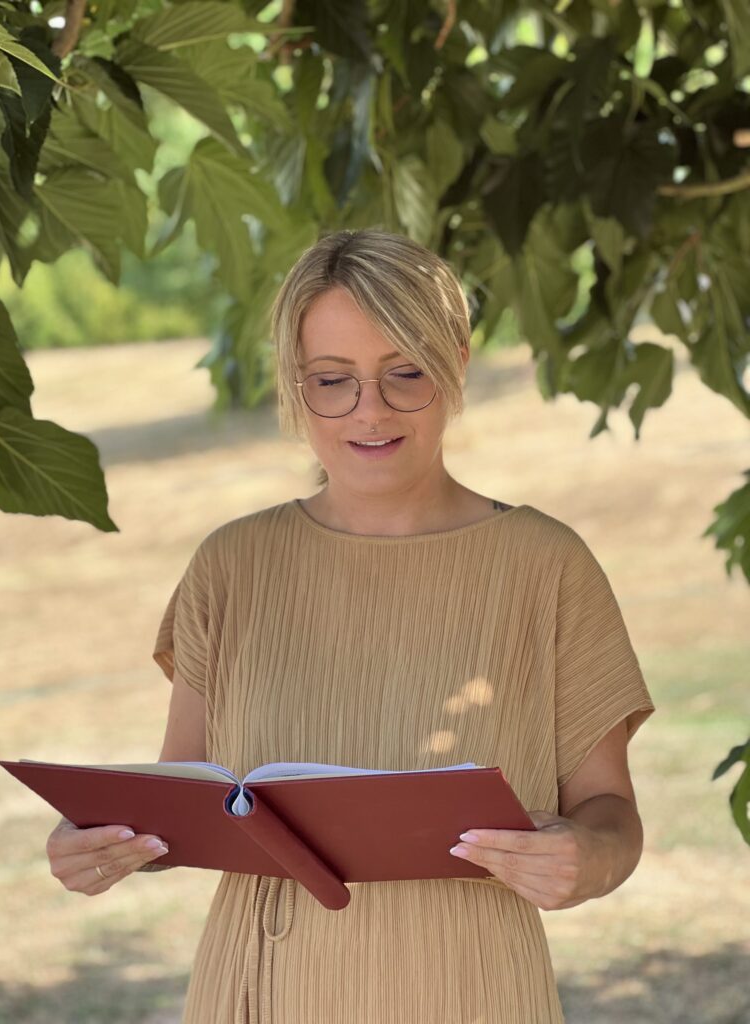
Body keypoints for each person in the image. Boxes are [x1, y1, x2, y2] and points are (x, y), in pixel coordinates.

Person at [46, 228, 655, 1023]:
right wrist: (98, 840)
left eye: (404, 373)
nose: (369, 412)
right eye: (331, 380)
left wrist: (591, 859)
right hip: (262, 986)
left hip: (470, 987)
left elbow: (610, 812)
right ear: (296, 386)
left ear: (456, 366)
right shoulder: (232, 566)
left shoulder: (546, 565)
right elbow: (184, 800)